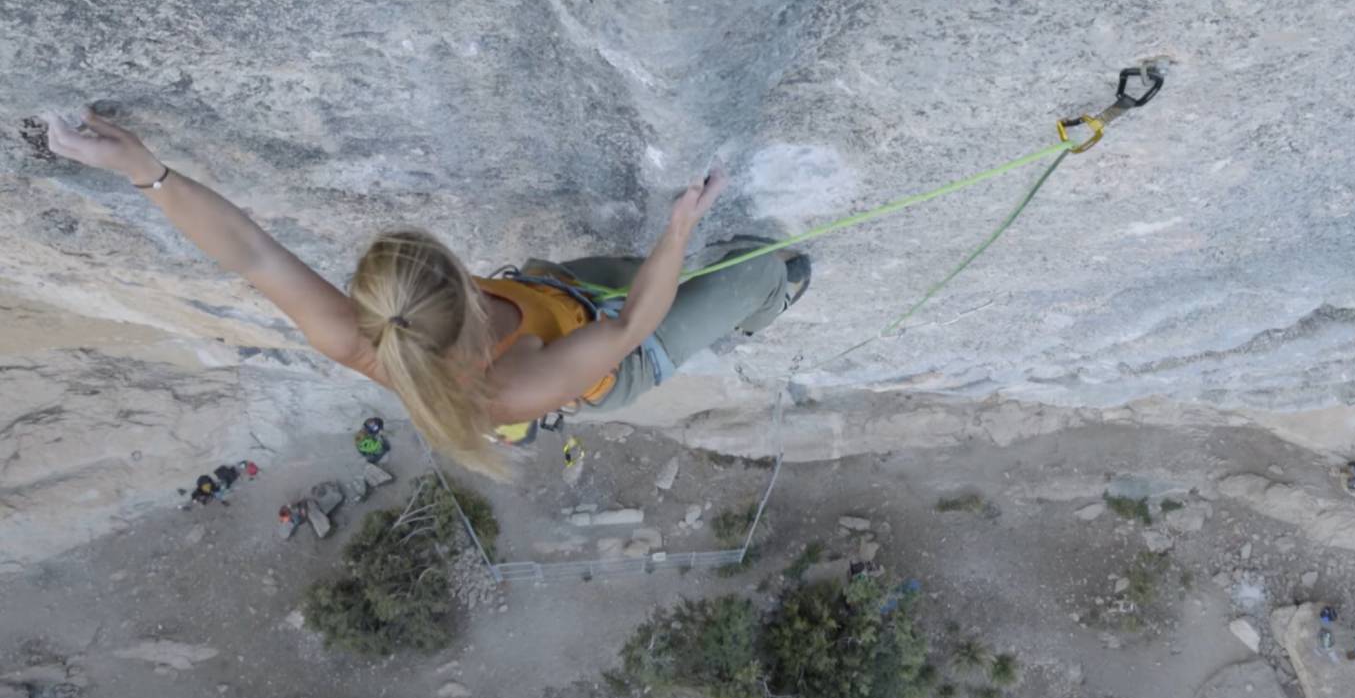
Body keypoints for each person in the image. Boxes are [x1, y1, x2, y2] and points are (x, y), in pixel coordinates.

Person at [43, 112, 808, 478]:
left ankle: (691, 271)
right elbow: (637, 320)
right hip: (610, 352)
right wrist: (679, 228)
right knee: (754, 267)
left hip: (555, 296)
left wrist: (144, 170)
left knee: (620, 268)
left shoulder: (360, 337)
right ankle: (772, 298)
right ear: (459, 286)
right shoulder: (513, 388)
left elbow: (249, 252)